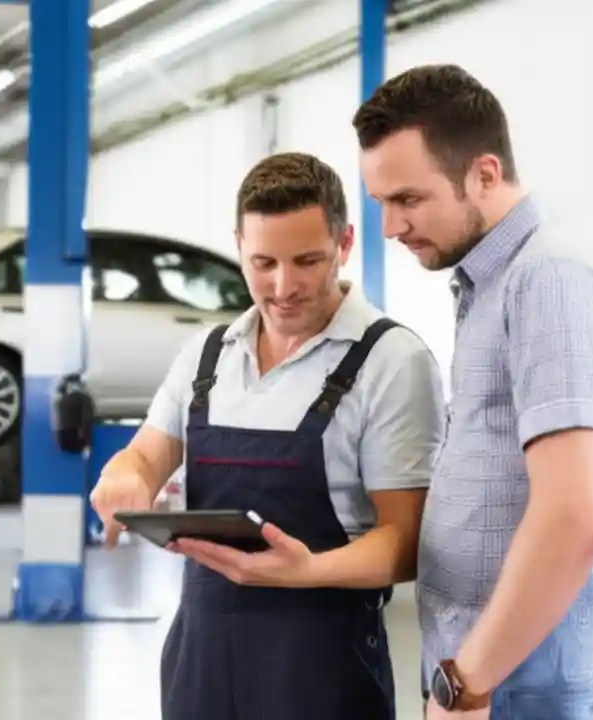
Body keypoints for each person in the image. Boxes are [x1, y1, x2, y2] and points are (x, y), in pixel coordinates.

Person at [90, 151, 446, 720]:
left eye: (307, 260)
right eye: (263, 263)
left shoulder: (391, 361)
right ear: (238, 247)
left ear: (345, 243)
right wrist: (124, 479)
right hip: (200, 662)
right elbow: (143, 458)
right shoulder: (207, 356)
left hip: (321, 668)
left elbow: (407, 543)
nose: (284, 287)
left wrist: (308, 571)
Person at [352, 64, 593, 720]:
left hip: (513, 686)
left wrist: (465, 682)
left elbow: (577, 513)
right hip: (484, 674)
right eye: (381, 204)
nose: (391, 227)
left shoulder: (550, 279)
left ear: (483, 173)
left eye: (408, 199)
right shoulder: (491, 285)